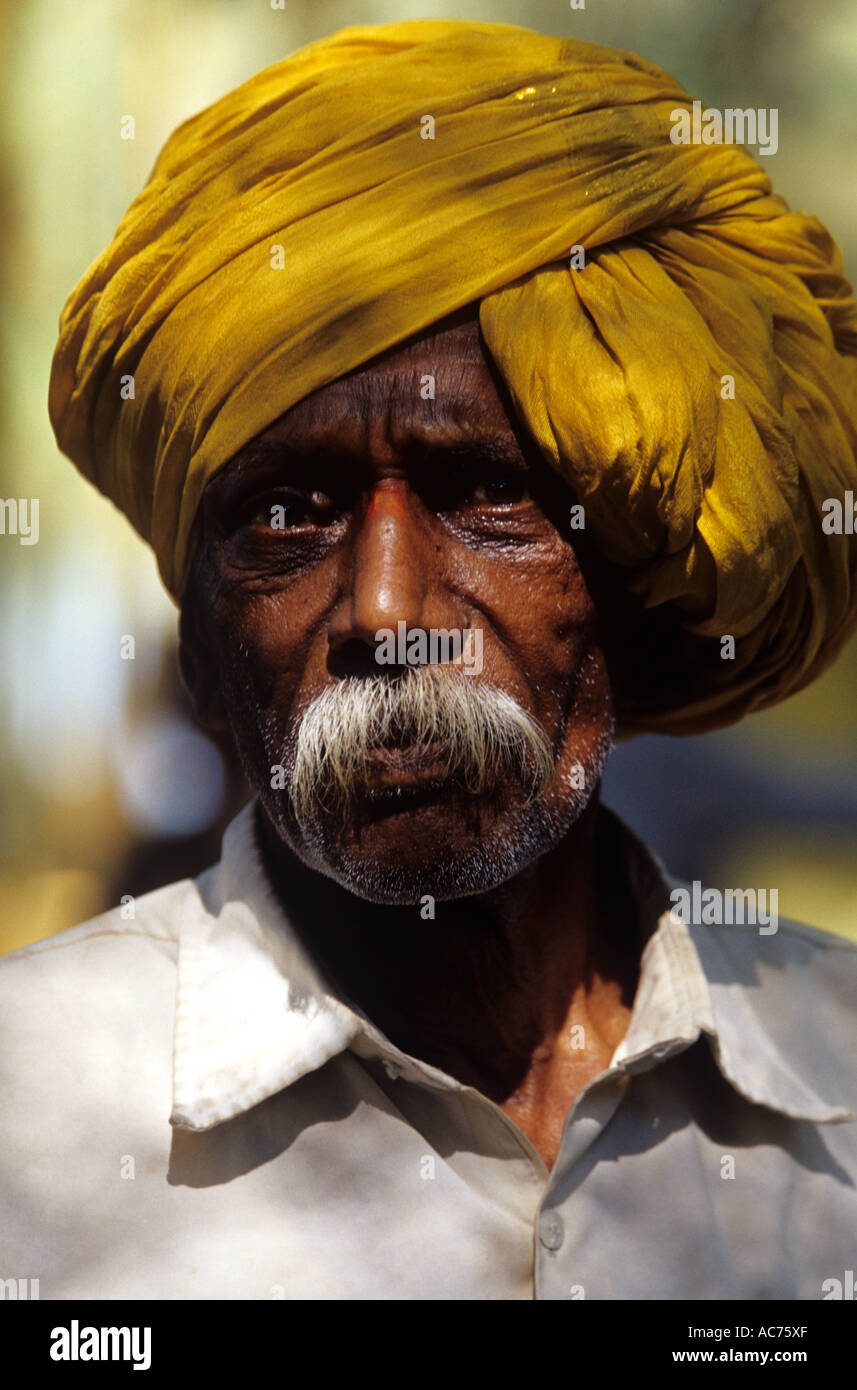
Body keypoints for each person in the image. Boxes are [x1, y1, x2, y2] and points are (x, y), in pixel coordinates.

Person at [2, 19, 856, 1301]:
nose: (385, 609)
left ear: (626, 586)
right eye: (288, 514)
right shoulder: (29, 1120)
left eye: (484, 494)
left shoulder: (832, 1069)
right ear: (200, 650)